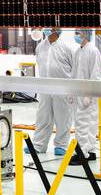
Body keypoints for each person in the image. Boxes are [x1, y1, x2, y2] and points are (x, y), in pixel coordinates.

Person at [32, 28, 76, 159]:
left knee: (63, 117)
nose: (45, 29)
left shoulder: (67, 48)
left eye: (49, 26)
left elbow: (74, 69)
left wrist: (73, 90)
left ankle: (61, 145)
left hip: (62, 88)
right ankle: (38, 145)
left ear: (57, 29)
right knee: (43, 116)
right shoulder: (40, 47)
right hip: (44, 87)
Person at [70, 30, 101, 163]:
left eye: (78, 32)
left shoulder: (93, 51)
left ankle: (82, 153)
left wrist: (89, 94)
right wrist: (71, 92)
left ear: (85, 33)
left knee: (85, 123)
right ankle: (90, 151)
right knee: (84, 123)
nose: (76, 35)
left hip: (88, 95)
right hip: (79, 93)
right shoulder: (78, 51)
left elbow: (96, 74)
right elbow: (74, 74)